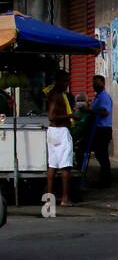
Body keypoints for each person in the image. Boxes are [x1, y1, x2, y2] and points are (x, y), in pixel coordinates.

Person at [45, 71, 74, 207]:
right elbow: (51, 116)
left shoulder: (55, 94)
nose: (67, 84)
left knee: (52, 165)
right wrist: (69, 117)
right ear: (59, 81)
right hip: (60, 131)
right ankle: (65, 198)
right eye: (65, 81)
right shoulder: (57, 95)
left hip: (53, 132)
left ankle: (49, 197)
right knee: (65, 166)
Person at [90, 75, 113, 187]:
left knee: (102, 154)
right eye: (93, 83)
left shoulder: (104, 97)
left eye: (97, 83)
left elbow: (105, 112)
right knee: (99, 154)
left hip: (103, 129)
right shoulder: (97, 97)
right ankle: (104, 178)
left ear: (103, 84)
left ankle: (106, 179)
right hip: (98, 129)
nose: (94, 85)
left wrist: (93, 110)